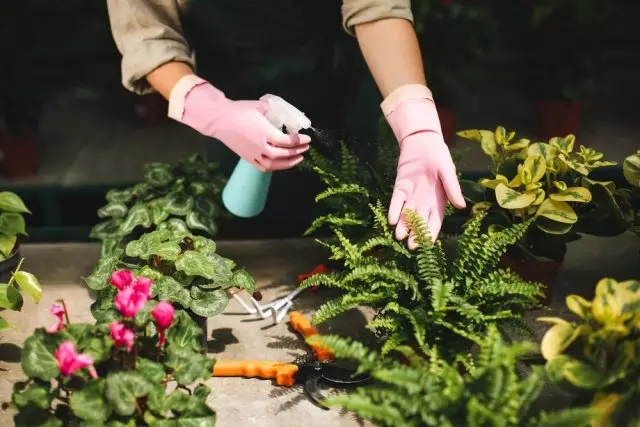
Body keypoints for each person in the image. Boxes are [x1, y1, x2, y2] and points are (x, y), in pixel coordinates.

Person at [106, 0, 465, 248]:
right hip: (236, 90)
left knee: (364, 209)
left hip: (343, 73)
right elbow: (148, 37)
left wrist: (417, 124)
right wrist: (212, 110)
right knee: (253, 226)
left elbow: (376, 8)